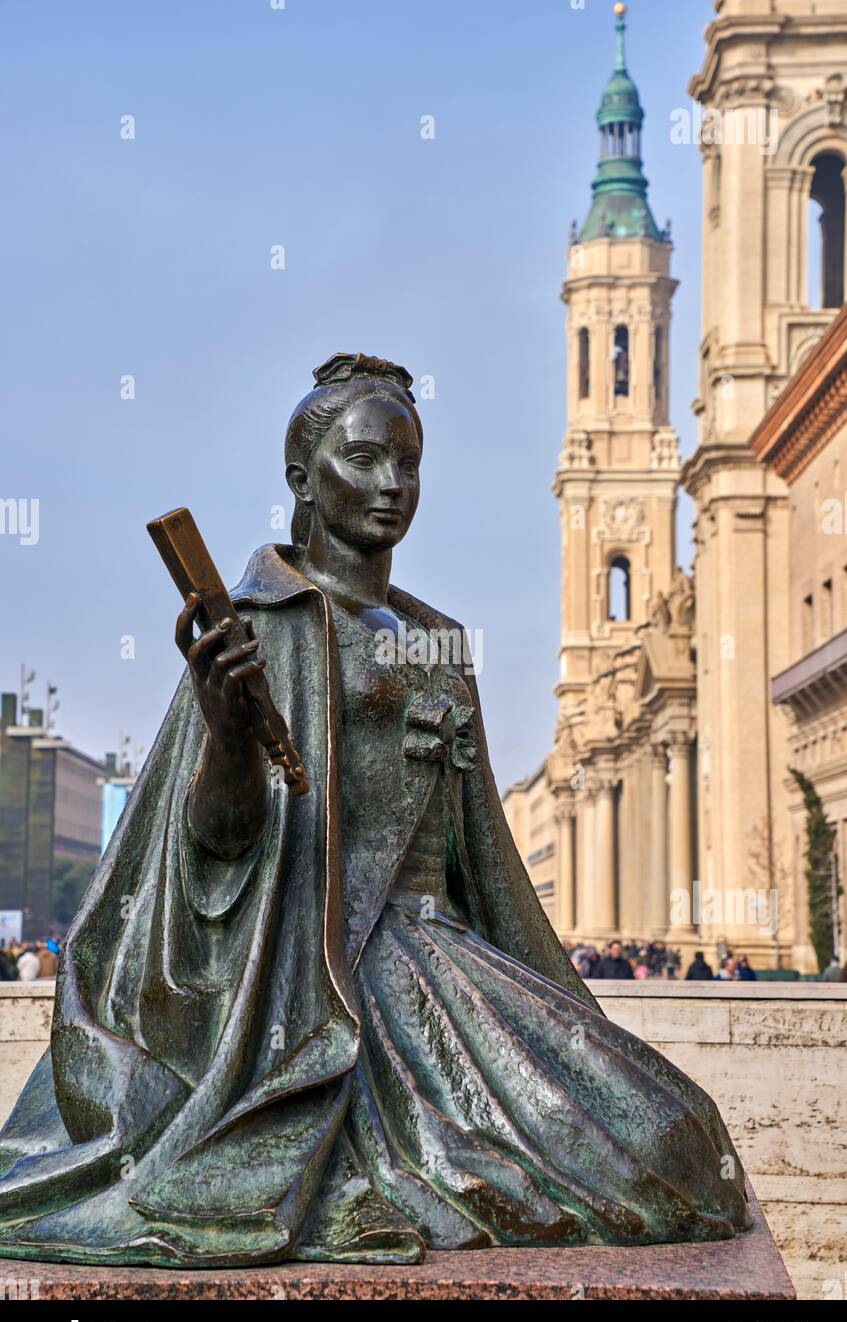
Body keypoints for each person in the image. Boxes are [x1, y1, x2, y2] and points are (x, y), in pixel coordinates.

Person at [0, 353, 751, 1267]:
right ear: (301, 482)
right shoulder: (256, 627)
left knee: (680, 1143)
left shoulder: (438, 639)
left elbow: (488, 860)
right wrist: (229, 734)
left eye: (408, 461)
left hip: (448, 959)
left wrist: (564, 1012)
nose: (391, 484)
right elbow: (212, 855)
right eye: (363, 460)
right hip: (317, 968)